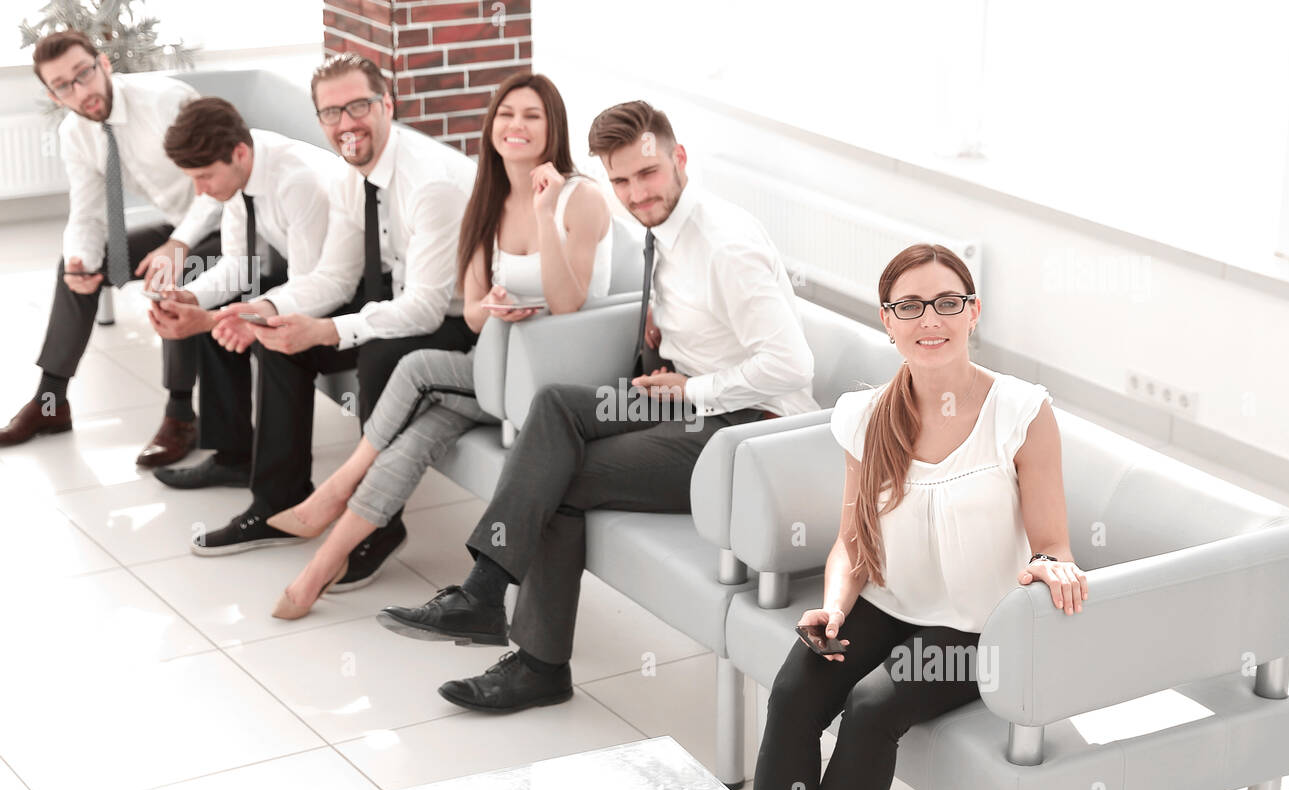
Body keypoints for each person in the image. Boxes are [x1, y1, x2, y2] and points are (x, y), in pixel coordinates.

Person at [376, 100, 819, 715]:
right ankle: (484, 594)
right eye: (621, 181)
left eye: (648, 174)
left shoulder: (725, 246)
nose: (637, 193)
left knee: (557, 480)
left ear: (678, 158)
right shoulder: (666, 231)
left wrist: (694, 389)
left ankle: (534, 660)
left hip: (748, 432)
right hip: (682, 395)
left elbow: (793, 367)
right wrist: (671, 338)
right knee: (555, 405)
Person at [750, 243, 1090, 790]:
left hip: (977, 627)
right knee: (791, 696)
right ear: (887, 320)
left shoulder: (1022, 412)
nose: (929, 320)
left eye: (946, 303)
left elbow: (1054, 545)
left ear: (973, 312)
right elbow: (852, 541)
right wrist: (834, 608)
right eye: (909, 305)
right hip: (885, 604)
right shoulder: (864, 415)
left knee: (872, 706)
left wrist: (1054, 567)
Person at [264, 71, 614, 616]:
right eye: (505, 115)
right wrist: (495, 303)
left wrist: (546, 216)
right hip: (497, 370)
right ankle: (318, 571)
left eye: (531, 116)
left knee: (414, 369)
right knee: (415, 438)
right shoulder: (488, 199)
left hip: (561, 385)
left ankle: (335, 493)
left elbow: (568, 304)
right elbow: (473, 316)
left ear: (554, 128)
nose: (515, 126)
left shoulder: (580, 198)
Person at [175, 53, 477, 560]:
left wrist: (328, 331)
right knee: (284, 341)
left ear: (387, 104)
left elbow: (425, 309)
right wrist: (268, 312)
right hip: (399, 302)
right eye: (330, 113)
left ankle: (377, 523)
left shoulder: (431, 183)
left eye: (357, 106)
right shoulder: (346, 176)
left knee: (380, 356)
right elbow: (335, 277)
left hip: (464, 322)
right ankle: (275, 503)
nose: (345, 124)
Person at [0, 29, 222, 465]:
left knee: (169, 272)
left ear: (103, 64)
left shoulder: (166, 102)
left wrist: (177, 245)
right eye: (63, 85)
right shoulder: (75, 133)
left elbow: (219, 184)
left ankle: (180, 415)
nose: (79, 91)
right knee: (75, 263)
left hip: (230, 224)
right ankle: (52, 403)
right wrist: (81, 262)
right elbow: (86, 213)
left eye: (82, 74)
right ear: (52, 93)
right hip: (180, 224)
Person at [148, 97, 338, 490]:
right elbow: (240, 264)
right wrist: (192, 298)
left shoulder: (296, 180)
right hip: (306, 272)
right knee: (218, 306)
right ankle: (233, 456)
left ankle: (278, 481)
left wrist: (230, 317)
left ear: (238, 152)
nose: (200, 190)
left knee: (259, 330)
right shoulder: (244, 168)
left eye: (204, 177)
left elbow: (318, 285)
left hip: (350, 286)